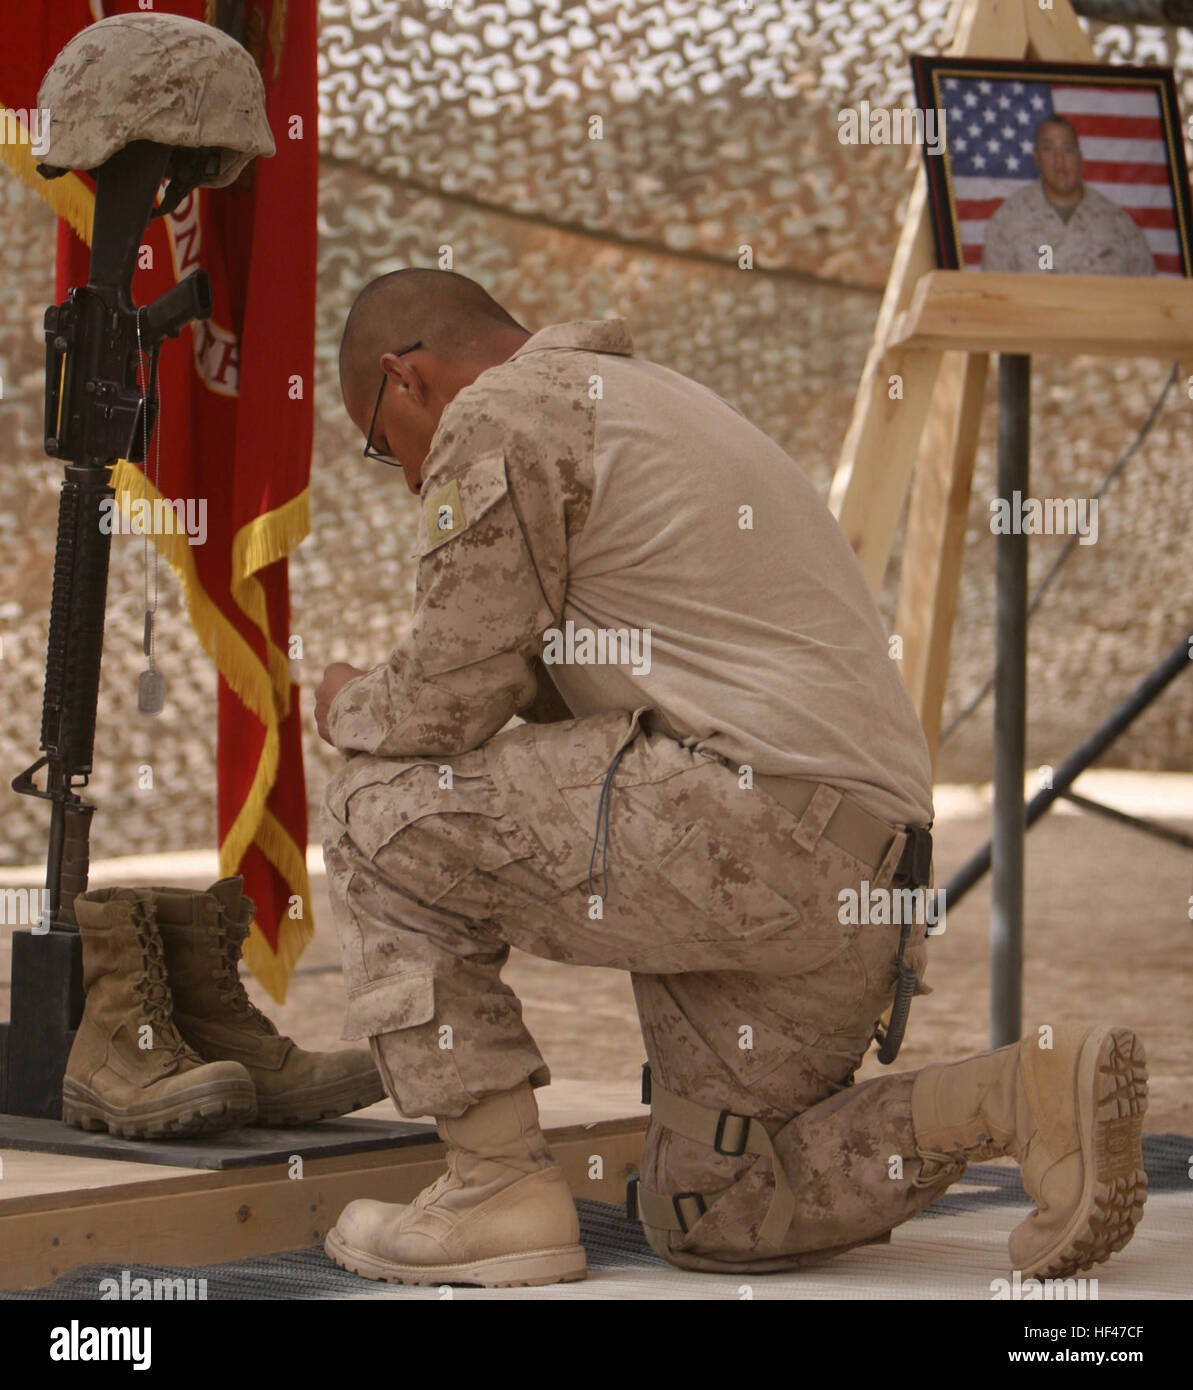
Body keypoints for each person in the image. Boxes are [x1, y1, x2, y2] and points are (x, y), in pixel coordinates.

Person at [314, 267, 1147, 1287]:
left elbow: (446, 694)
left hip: (744, 828)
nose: (403, 478)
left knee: (371, 801)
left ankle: (493, 1185)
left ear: (406, 380)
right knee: (718, 1207)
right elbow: (547, 681)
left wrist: (345, 700)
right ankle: (1020, 1094)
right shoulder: (655, 401)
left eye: (377, 441)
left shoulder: (504, 407)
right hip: (860, 884)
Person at [981, 115, 1156, 275]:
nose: (1059, 160)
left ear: (1080, 157)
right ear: (1036, 157)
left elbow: (1147, 294)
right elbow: (994, 297)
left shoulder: (1117, 224)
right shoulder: (1008, 221)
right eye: (1049, 149)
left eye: (1068, 149)